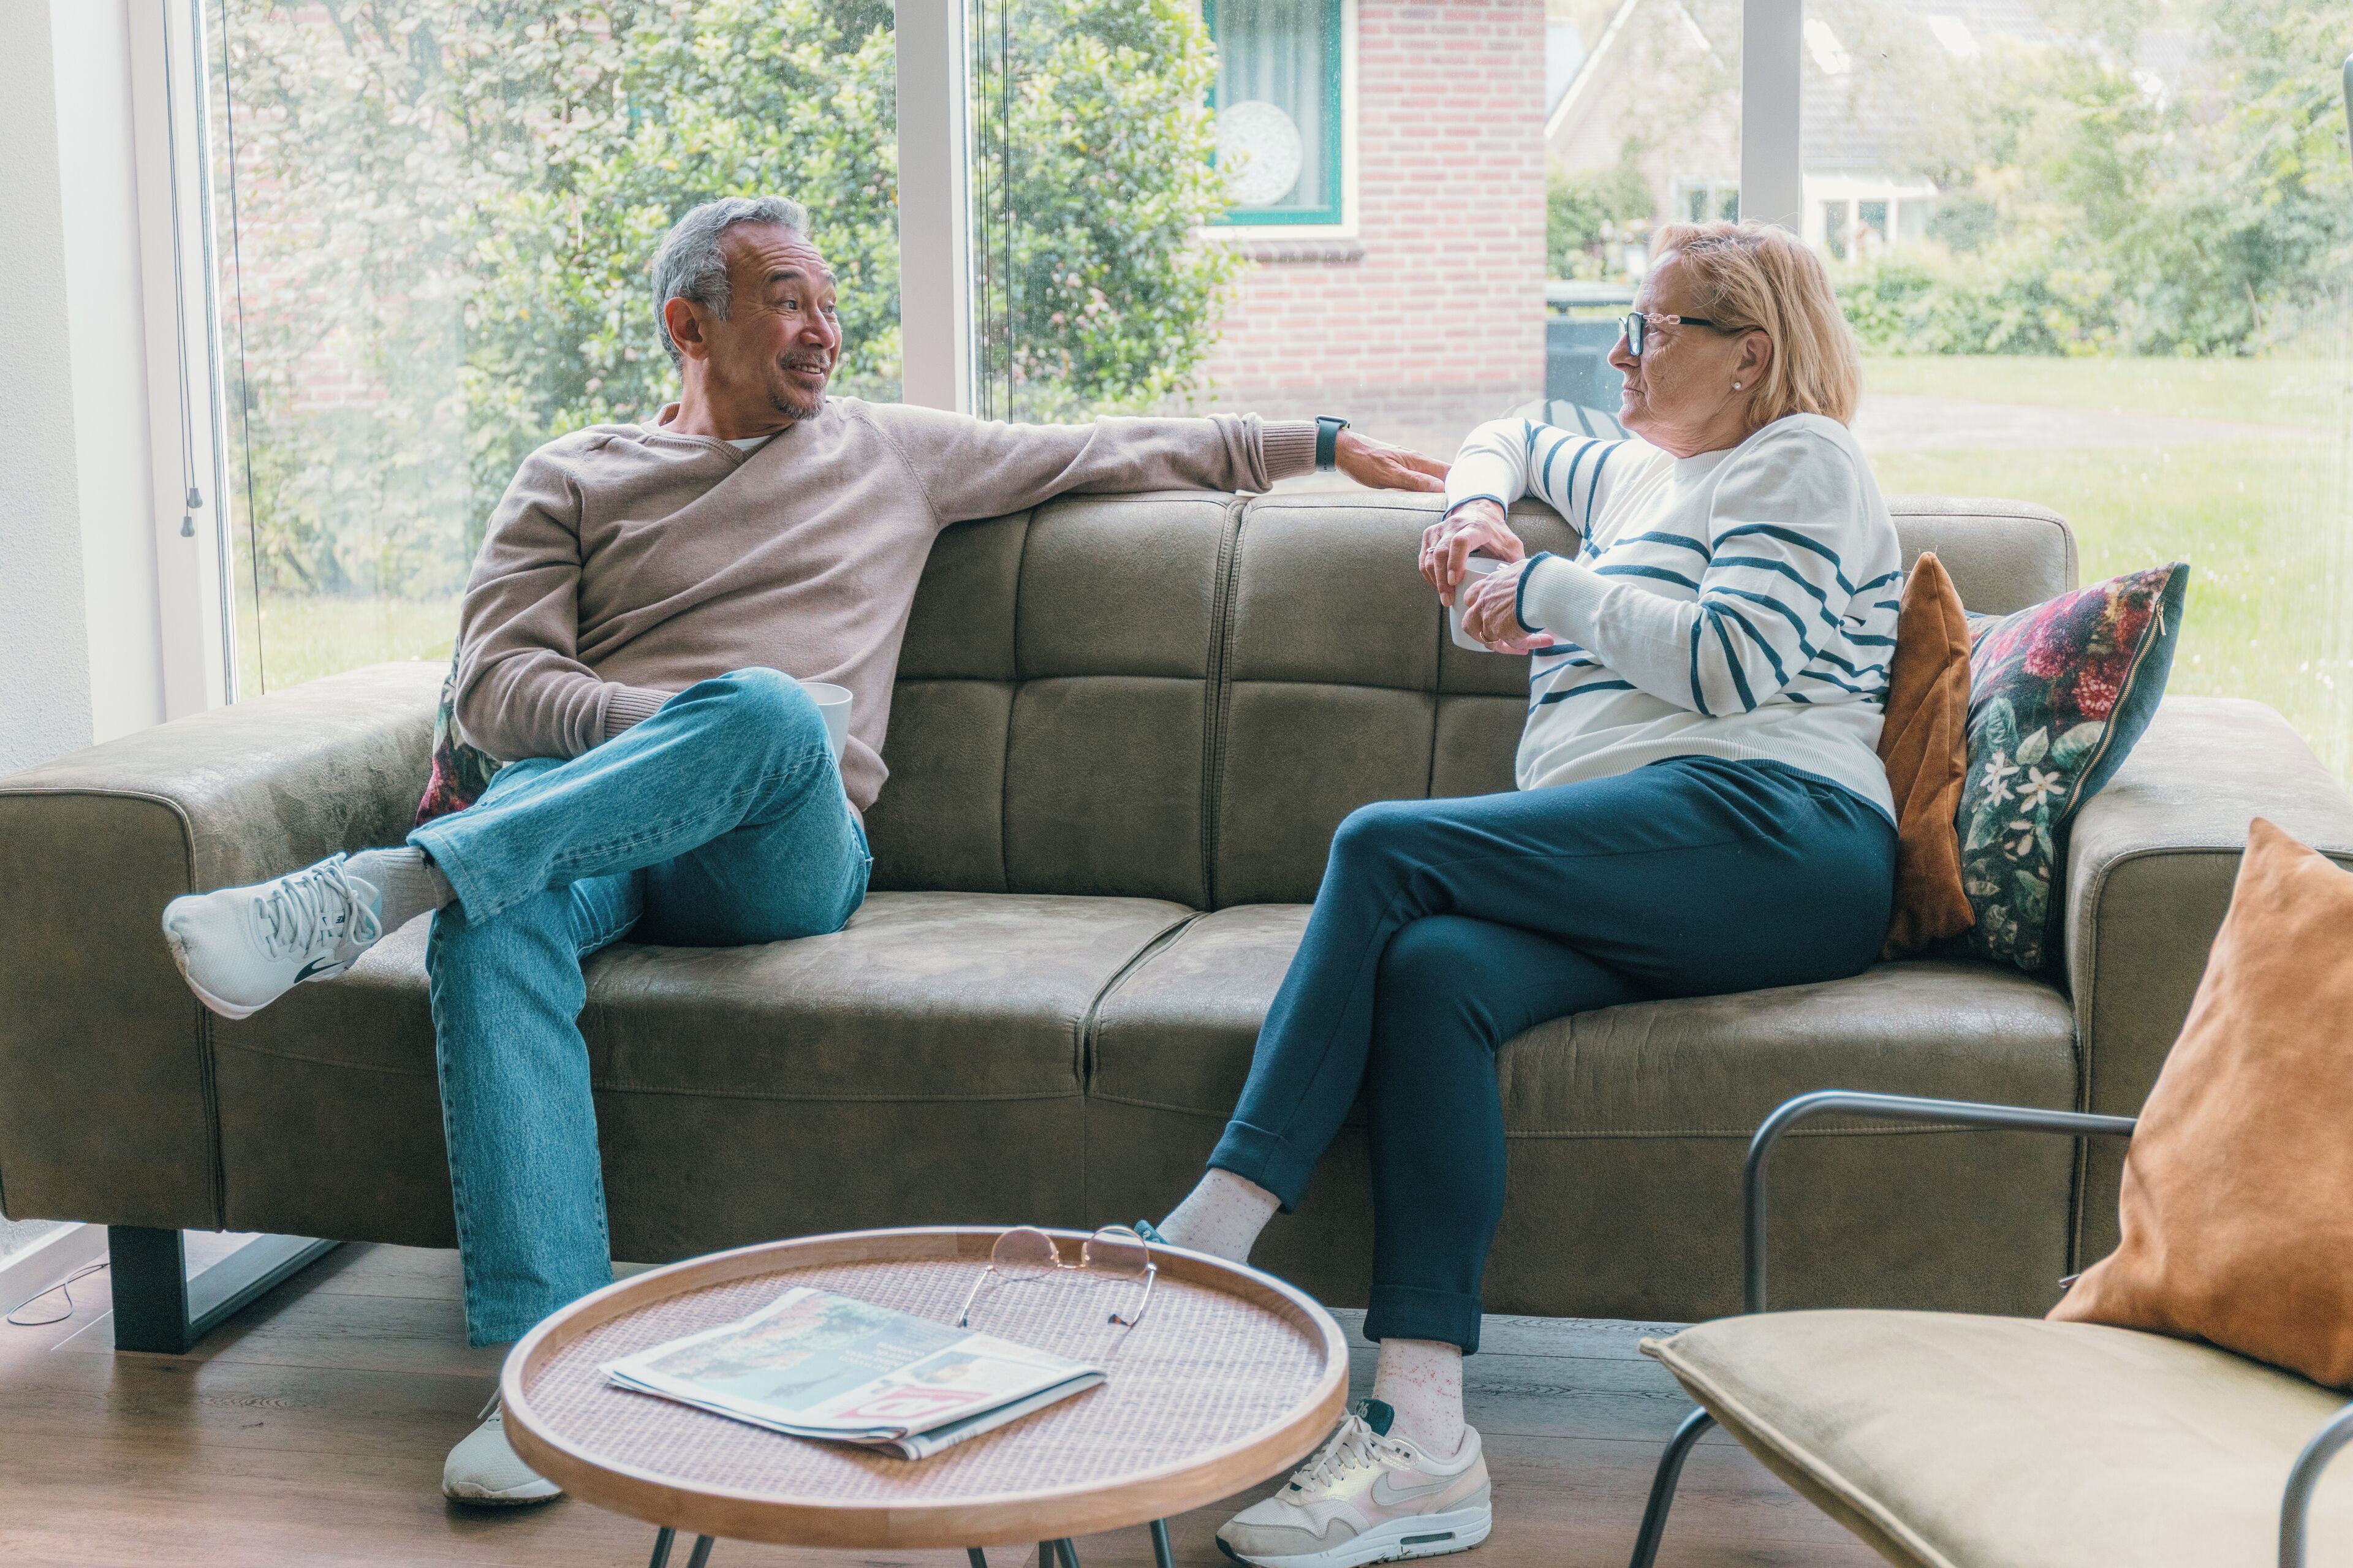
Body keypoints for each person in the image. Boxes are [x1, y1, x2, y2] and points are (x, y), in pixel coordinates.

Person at [156, 194, 1447, 1506]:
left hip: (777, 857)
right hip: (592, 830)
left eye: (831, 303)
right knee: (506, 912)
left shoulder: (890, 451)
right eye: (789, 299)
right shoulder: (572, 474)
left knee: (774, 711)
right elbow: (494, 683)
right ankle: (538, 1384)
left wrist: (1322, 439)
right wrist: (678, 727)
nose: (824, 328)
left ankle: (387, 886)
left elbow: (1107, 448)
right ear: (688, 323)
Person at [1150, 220, 1903, 1568]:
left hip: (1778, 828)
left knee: (1388, 846)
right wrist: (1472, 512)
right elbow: (1508, 427)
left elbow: (1737, 666)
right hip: (1652, 853)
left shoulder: (1802, 461)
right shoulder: (1631, 475)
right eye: (1627, 318)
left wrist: (1543, 588)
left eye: (1658, 327)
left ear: (1752, 356)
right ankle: (1424, 1434)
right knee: (1436, 971)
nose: (1621, 349)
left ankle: (1212, 1240)